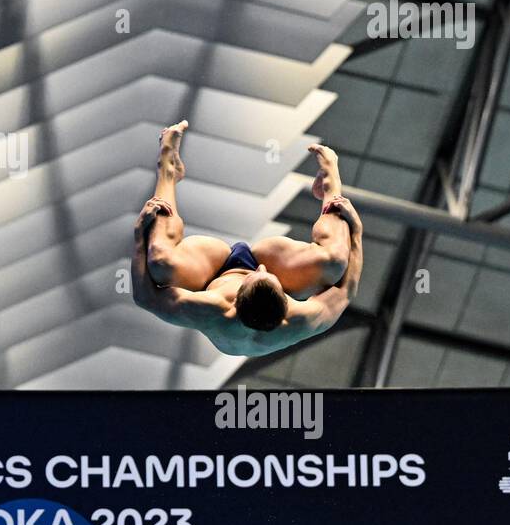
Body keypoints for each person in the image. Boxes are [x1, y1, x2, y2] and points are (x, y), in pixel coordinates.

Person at [131, 120, 362, 357]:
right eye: (268, 275)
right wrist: (356, 232)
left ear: (235, 300)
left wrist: (140, 237)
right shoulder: (300, 320)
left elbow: (145, 297)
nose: (259, 265)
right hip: (276, 264)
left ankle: (167, 171)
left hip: (212, 270)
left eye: (256, 273)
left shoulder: (211, 310)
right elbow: (347, 290)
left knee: (160, 262)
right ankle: (330, 186)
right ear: (284, 301)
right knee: (335, 261)